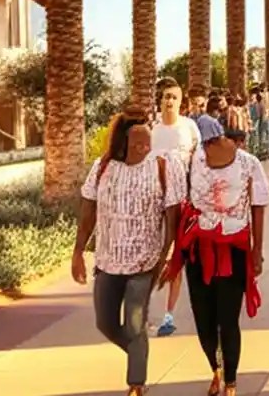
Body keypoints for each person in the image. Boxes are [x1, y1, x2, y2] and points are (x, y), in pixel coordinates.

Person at [73, 110, 186, 396]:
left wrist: (168, 258)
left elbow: (173, 217)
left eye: (147, 143)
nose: (143, 149)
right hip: (108, 260)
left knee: (135, 321)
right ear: (122, 141)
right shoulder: (102, 167)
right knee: (105, 323)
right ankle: (139, 352)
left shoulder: (162, 167)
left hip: (145, 262)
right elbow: (88, 210)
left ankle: (136, 383)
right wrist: (78, 252)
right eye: (137, 144)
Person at [163, 114, 268, 396]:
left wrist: (257, 250)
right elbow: (177, 203)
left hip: (233, 250)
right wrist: (173, 249)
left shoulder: (248, 164)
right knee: (203, 317)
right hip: (197, 250)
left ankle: (231, 382)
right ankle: (215, 369)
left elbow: (258, 206)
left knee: (228, 318)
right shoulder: (190, 162)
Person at [149, 78, 202, 337]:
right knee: (153, 255)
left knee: (177, 257)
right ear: (160, 101)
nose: (169, 101)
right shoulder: (152, 131)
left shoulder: (189, 127)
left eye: (174, 97)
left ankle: (169, 315)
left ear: (181, 102)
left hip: (183, 202)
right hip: (155, 202)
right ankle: (145, 311)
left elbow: (200, 162)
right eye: (166, 96)